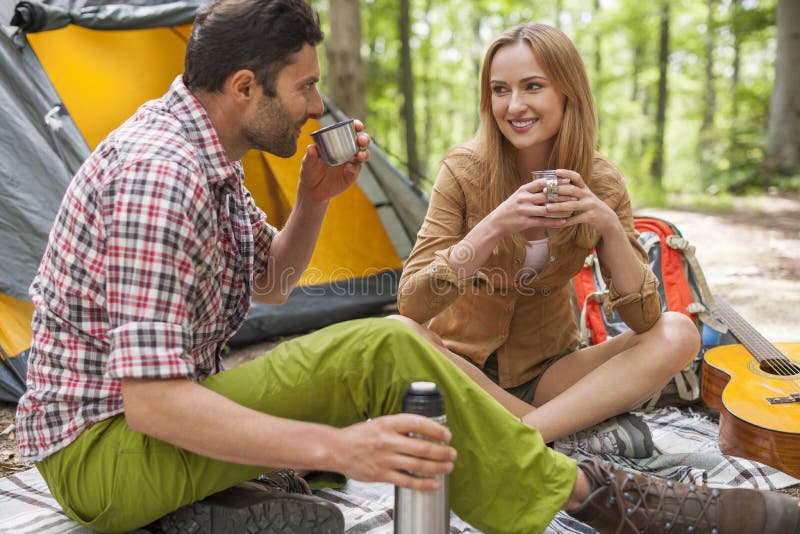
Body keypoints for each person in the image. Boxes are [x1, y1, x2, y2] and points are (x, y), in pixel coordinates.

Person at [15, 4, 799, 533]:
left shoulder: (208, 156)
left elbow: (273, 288)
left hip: (144, 430)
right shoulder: (164, 173)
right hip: (104, 452)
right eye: (306, 85)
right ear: (245, 86)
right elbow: (152, 407)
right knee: (383, 347)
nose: (316, 105)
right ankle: (610, 501)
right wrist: (337, 449)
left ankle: (231, 498)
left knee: (373, 358)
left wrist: (316, 201)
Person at [397, 21, 697, 459]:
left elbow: (644, 320)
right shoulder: (462, 172)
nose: (514, 105)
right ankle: (554, 434)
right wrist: (493, 225)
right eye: (500, 90)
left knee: (679, 331)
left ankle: (521, 434)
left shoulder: (601, 180)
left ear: (567, 92)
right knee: (399, 332)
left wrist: (610, 227)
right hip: (460, 368)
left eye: (532, 87)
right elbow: (413, 303)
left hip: (548, 375)